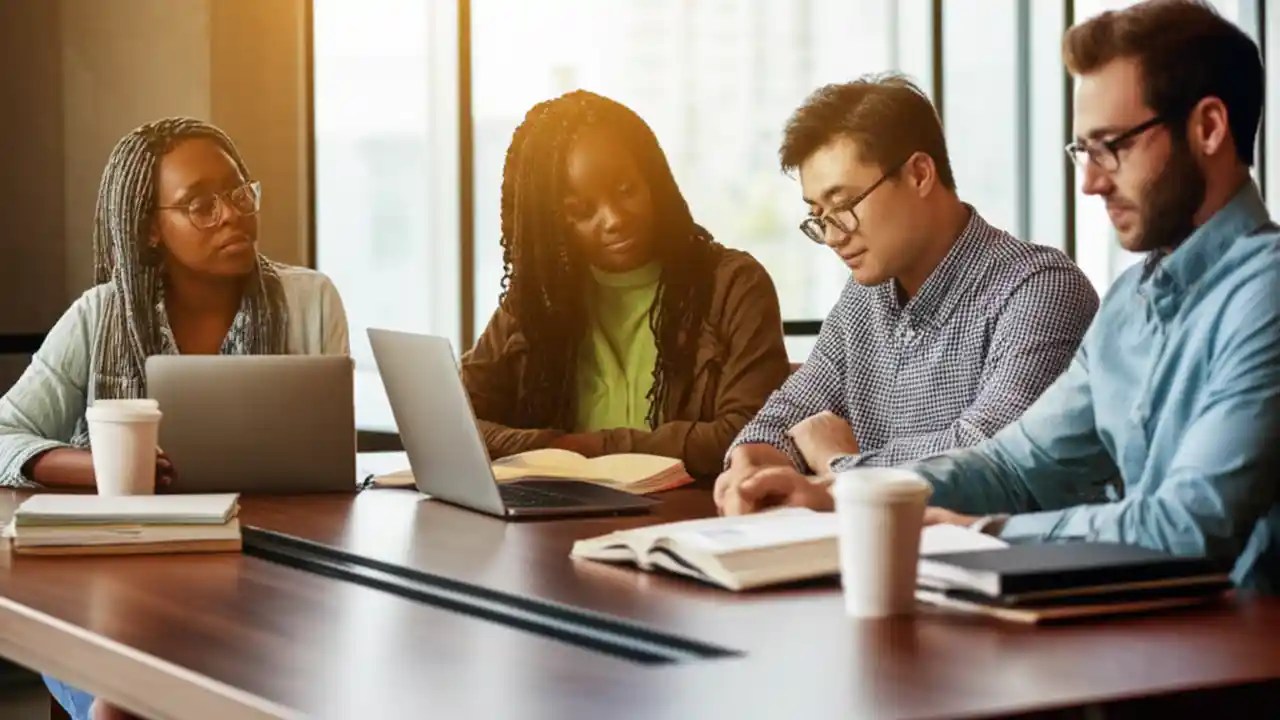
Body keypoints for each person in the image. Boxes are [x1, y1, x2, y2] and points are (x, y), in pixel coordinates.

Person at [716, 1, 1280, 593]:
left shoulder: (1264, 291)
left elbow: (1190, 526)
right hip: (1150, 636)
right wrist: (837, 494)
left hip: (1237, 658)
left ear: (1209, 128)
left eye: (1111, 145)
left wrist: (984, 530)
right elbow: (1011, 464)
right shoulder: (1128, 305)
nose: (1089, 182)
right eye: (1082, 152)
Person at [0, 117, 349, 719]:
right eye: (201, 205)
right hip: (113, 583)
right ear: (151, 229)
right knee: (123, 705)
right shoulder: (99, 317)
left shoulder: (309, 301)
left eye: (239, 193)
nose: (233, 215)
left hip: (266, 583)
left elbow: (327, 454)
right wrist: (96, 468)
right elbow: (4, 431)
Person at [714, 74, 1098, 508]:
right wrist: (751, 458)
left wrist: (841, 463)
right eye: (818, 215)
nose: (833, 236)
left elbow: (991, 457)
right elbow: (788, 412)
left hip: (1007, 562)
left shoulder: (1039, 288)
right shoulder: (865, 296)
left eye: (842, 206)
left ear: (919, 174)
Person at [462, 90, 790, 480]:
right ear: (552, 224)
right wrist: (549, 448)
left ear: (653, 180)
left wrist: (585, 449)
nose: (613, 219)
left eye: (625, 190)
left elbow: (749, 434)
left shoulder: (733, 285)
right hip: (554, 523)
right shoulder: (537, 300)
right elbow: (453, 416)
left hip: (692, 519)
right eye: (582, 211)